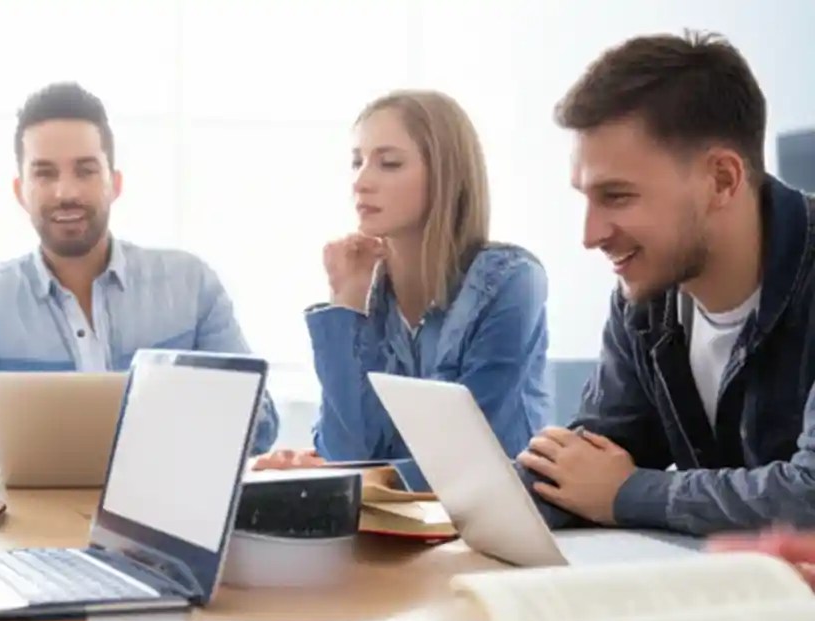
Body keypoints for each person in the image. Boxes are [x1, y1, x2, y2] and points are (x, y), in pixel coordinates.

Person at [515, 31, 815, 537]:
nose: (590, 236)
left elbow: (808, 498)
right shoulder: (647, 297)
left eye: (617, 196)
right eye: (585, 197)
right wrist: (496, 496)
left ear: (722, 179)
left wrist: (626, 494)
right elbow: (590, 463)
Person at [0, 82, 278, 466]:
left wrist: (80, 437)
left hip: (168, 513)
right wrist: (73, 442)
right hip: (27, 520)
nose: (66, 192)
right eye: (45, 174)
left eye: (85, 170)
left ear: (115, 183)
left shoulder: (192, 286)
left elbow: (258, 421)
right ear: (20, 191)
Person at [255, 90, 550, 491]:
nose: (361, 181)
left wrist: (332, 477)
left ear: (446, 175)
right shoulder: (372, 290)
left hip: (497, 528)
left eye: (389, 163)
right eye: (357, 162)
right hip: (396, 526)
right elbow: (347, 449)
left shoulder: (511, 280)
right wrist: (346, 303)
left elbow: (474, 458)